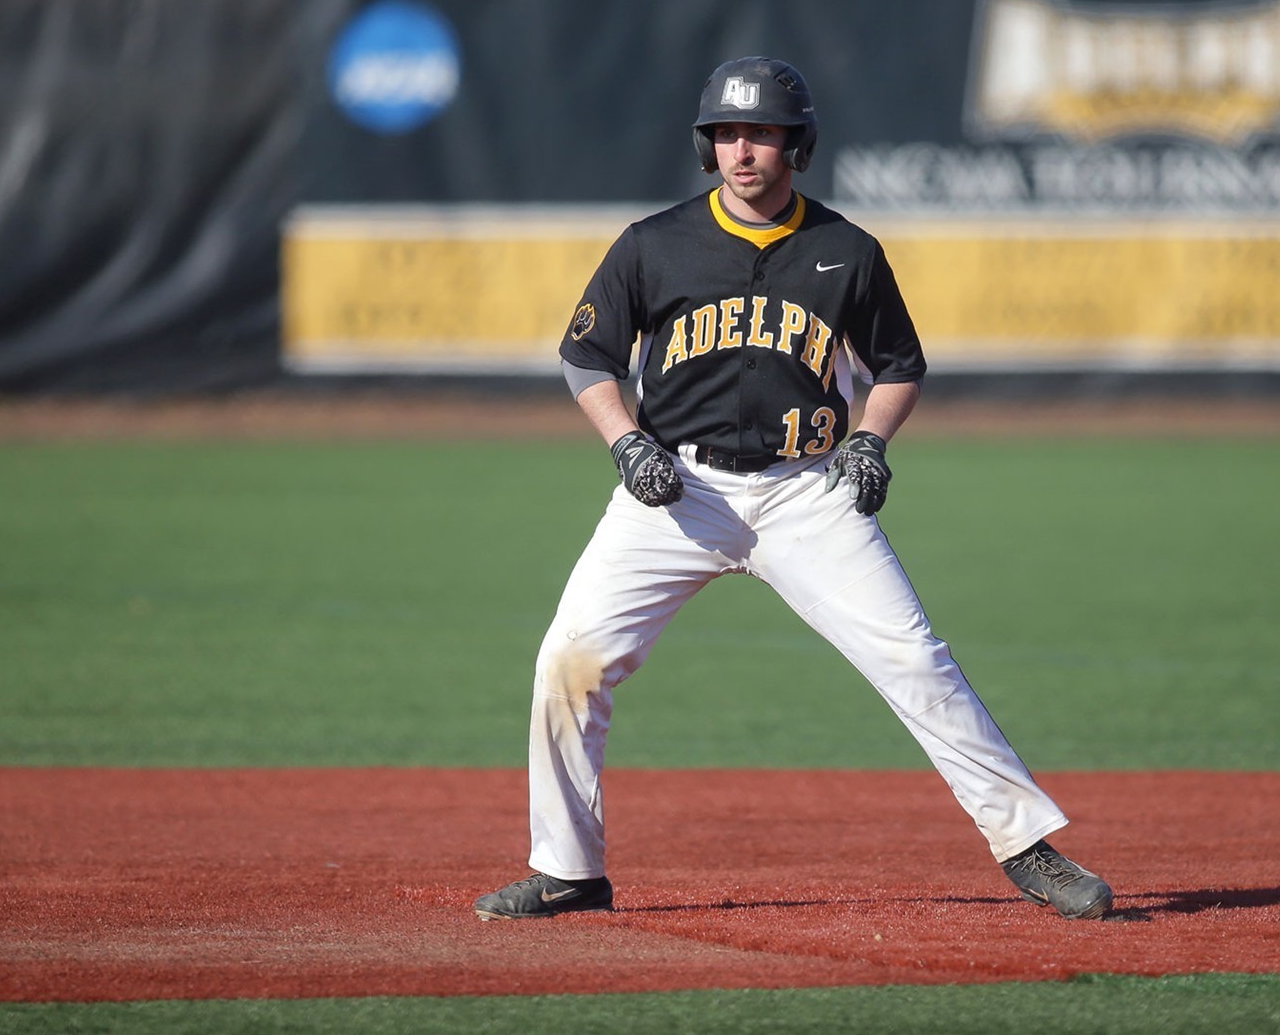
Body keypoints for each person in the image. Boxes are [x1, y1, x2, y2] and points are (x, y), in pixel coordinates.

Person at [473, 56, 1114, 920]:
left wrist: (871, 443)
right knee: (569, 662)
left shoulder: (845, 251)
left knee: (915, 661)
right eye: (728, 133)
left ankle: (1027, 847)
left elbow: (898, 367)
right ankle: (569, 869)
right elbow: (586, 355)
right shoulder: (653, 244)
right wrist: (625, 441)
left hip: (807, 491)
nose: (744, 150)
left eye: (763, 132)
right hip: (674, 491)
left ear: (796, 144)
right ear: (708, 146)